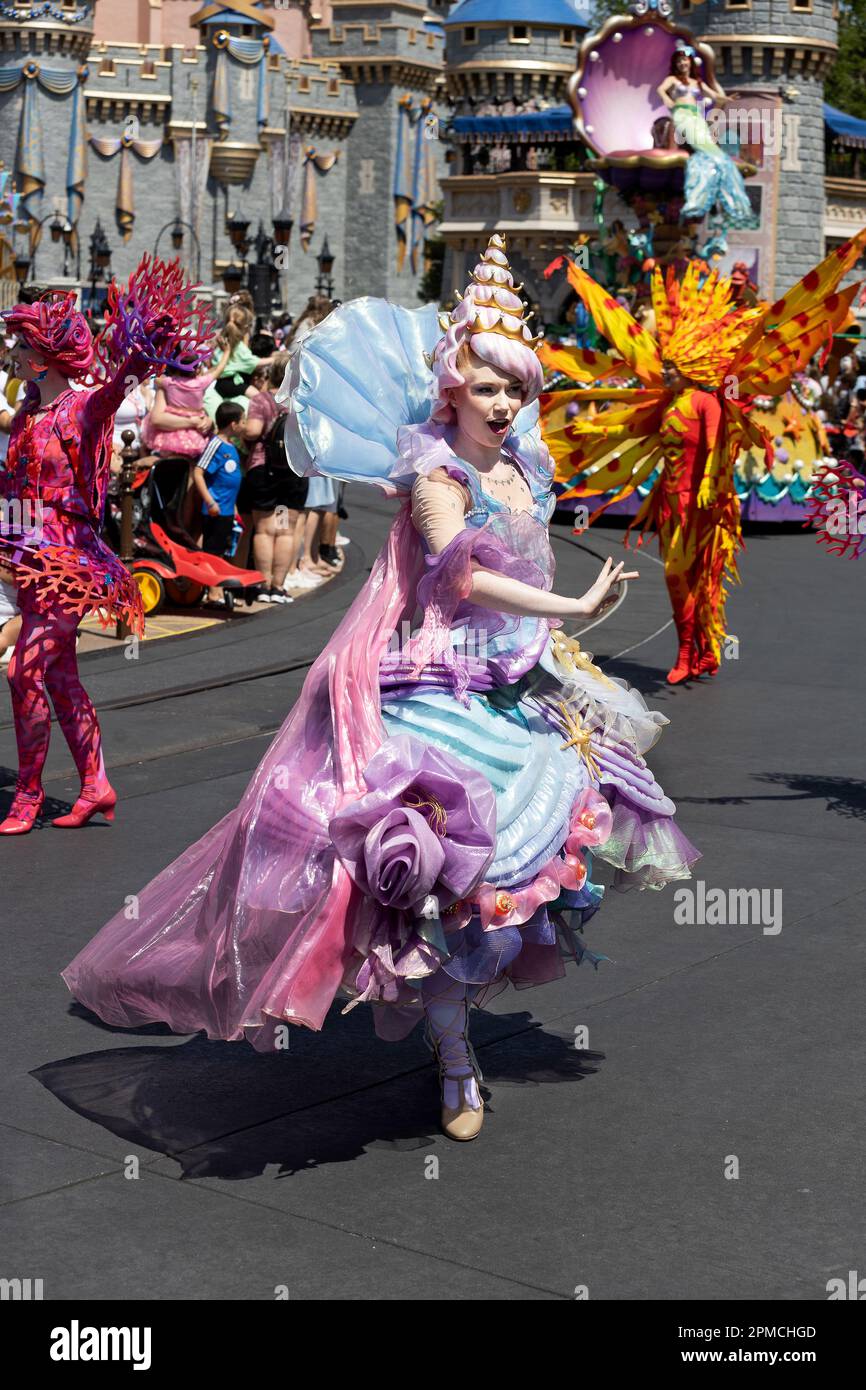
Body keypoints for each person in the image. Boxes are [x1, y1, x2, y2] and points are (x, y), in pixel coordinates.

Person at [63, 234, 700, 1143]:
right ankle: (452, 1060)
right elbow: (465, 575)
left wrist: (556, 633)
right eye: (487, 385)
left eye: (515, 387)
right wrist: (574, 598)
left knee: (532, 877)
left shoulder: (521, 468)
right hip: (441, 680)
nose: (503, 401)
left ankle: (459, 1024)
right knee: (439, 882)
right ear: (453, 388)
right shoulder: (436, 475)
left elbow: (520, 563)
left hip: (524, 683)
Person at [539, 227, 866, 682]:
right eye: (666, 366)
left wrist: (710, 495)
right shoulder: (667, 404)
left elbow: (720, 453)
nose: (665, 370)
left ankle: (698, 652)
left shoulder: (708, 404)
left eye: (673, 366)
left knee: (699, 580)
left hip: (704, 509)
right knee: (677, 579)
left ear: (691, 368)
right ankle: (691, 650)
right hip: (672, 505)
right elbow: (630, 428)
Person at [0, 257, 215, 833]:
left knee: (24, 670)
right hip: (28, 555)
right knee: (60, 676)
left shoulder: (78, 410)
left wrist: (138, 358)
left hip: (68, 560)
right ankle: (95, 784)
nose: (11, 354)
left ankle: (27, 794)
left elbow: (111, 392)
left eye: (19, 345)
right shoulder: (26, 413)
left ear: (42, 355)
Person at [658, 45, 756, 230]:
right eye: (679, 60)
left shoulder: (698, 83)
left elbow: (714, 96)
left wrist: (727, 99)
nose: (682, 63)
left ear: (690, 62)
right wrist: (668, 100)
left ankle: (729, 201)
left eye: (685, 60)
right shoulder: (671, 80)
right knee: (704, 148)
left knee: (717, 155)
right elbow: (660, 89)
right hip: (681, 115)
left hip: (696, 116)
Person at [236, 353, 298, 603]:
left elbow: (253, 431)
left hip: (263, 470)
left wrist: (241, 431)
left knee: (263, 530)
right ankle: (278, 587)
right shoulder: (300, 399)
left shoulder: (262, 400)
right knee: (284, 530)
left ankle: (262, 586)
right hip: (292, 471)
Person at [193, 401, 244, 606]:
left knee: (222, 550)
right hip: (215, 509)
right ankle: (213, 592)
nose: (245, 425)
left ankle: (220, 589)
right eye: (243, 421)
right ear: (233, 424)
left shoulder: (232, 447)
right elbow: (198, 472)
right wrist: (209, 501)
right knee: (213, 551)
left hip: (227, 509)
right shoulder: (216, 445)